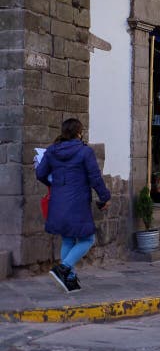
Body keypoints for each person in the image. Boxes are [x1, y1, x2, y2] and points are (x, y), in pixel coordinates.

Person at [36, 118, 110, 293]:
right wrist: (105, 197)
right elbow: (95, 177)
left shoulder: (52, 150)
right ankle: (63, 268)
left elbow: (40, 173)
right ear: (79, 132)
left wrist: (53, 183)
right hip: (77, 202)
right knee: (88, 239)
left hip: (58, 201)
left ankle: (69, 280)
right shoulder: (85, 152)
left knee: (68, 238)